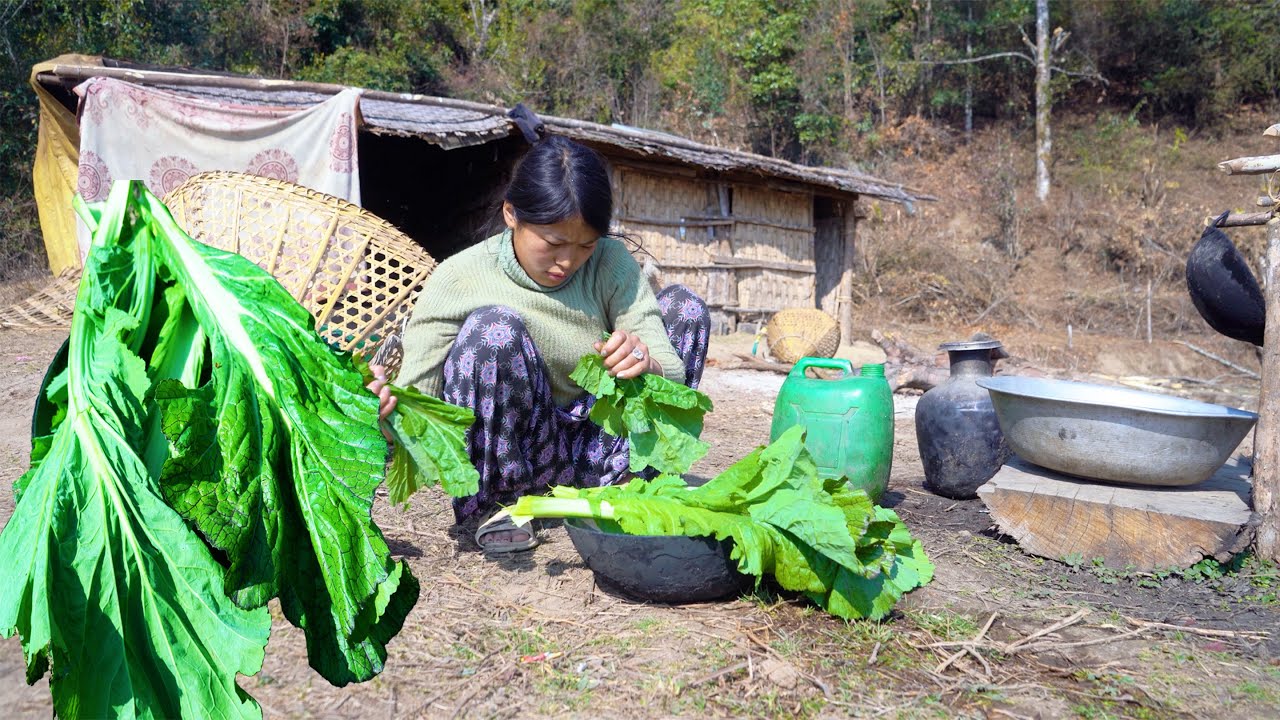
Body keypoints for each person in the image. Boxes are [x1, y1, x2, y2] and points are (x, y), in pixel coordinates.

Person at [366, 135, 710, 553]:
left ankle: (630, 484)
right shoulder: (459, 278)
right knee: (493, 329)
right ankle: (499, 504)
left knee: (685, 308)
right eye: (553, 243)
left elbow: (674, 373)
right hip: (524, 453)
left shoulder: (611, 263)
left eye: (585, 245)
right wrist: (383, 411)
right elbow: (416, 401)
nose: (568, 261)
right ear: (511, 213)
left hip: (601, 448)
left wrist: (644, 361)